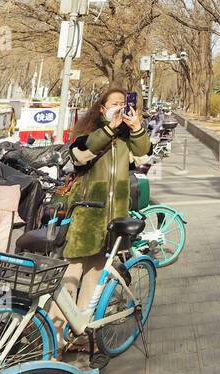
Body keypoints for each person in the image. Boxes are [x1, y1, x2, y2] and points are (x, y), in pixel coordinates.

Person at [55, 88, 152, 332]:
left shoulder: (127, 138)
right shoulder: (89, 133)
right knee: (70, 272)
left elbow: (144, 157)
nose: (119, 107)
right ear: (102, 108)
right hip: (86, 214)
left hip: (115, 216)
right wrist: (110, 129)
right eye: (114, 103)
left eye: (124, 103)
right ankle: (55, 333)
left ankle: (81, 331)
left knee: (95, 277)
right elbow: (80, 156)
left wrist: (136, 128)